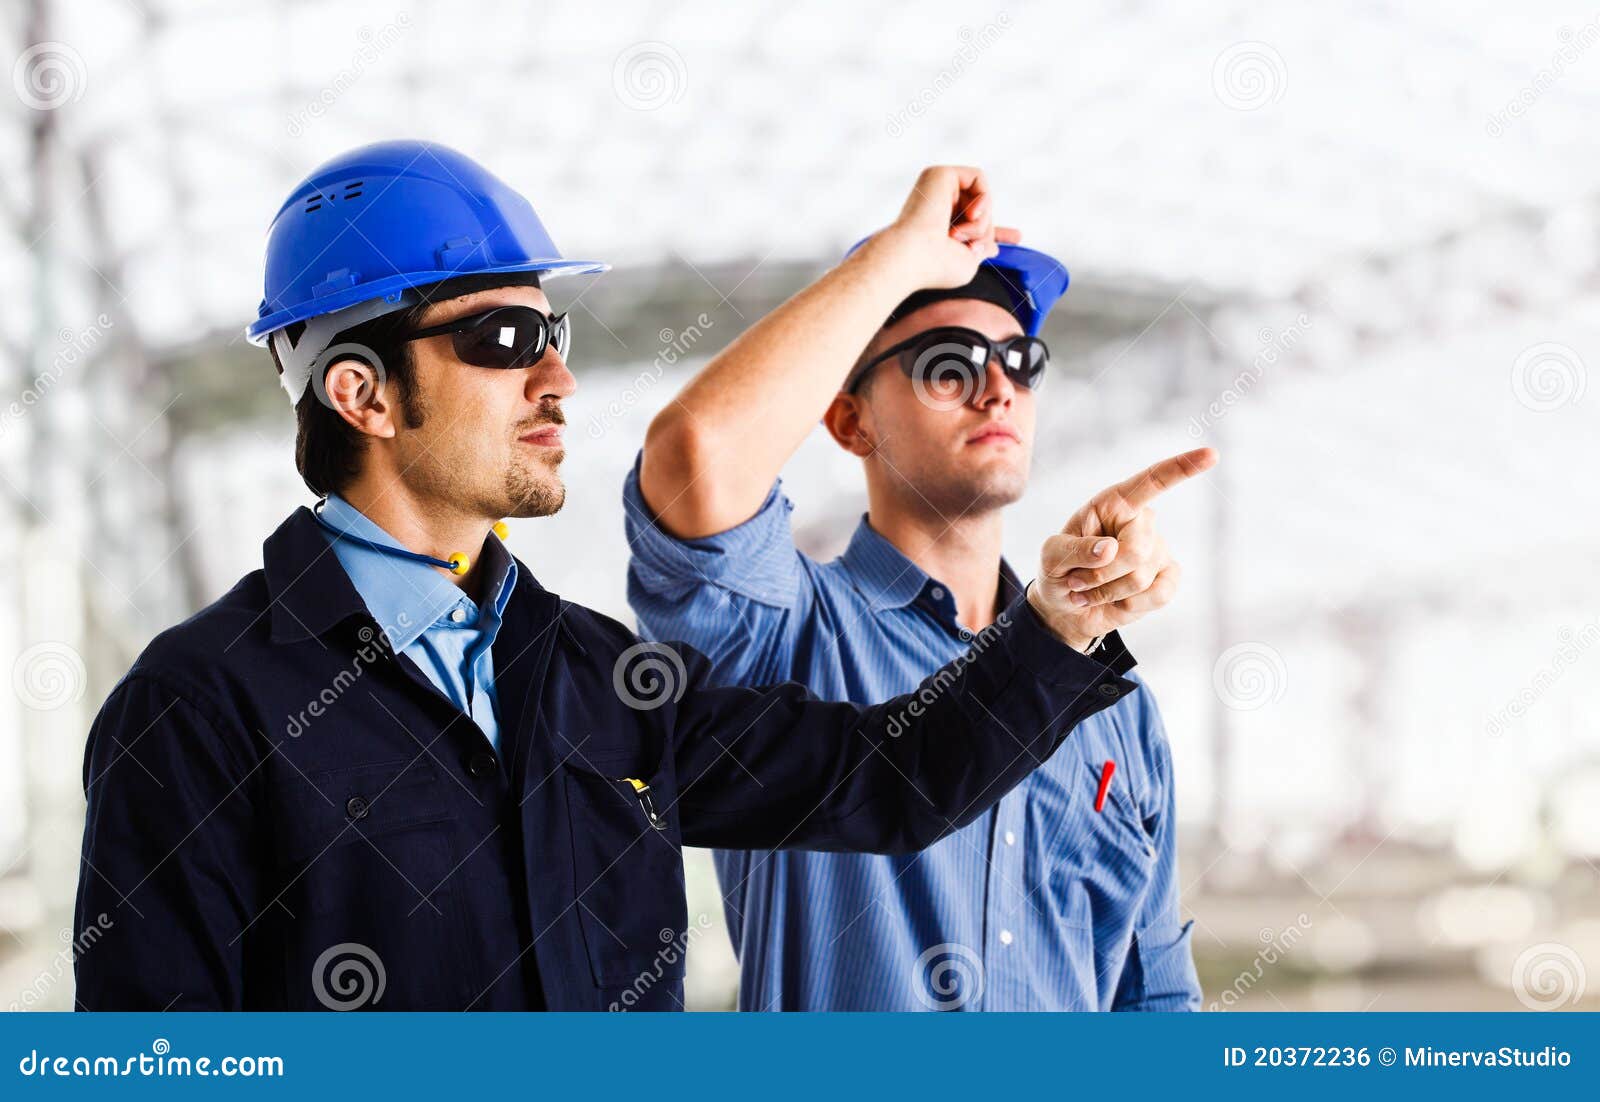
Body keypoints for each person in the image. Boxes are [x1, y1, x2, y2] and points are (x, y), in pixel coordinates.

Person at [73, 144, 1162, 1011]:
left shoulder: (597, 679)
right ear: (362, 393)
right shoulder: (199, 709)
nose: (559, 378)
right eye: (505, 337)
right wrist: (890, 264)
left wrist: (1055, 628)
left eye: (552, 333)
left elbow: (894, 781)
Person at [628, 166, 1214, 1010]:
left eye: (1021, 360)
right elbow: (695, 454)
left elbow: (1153, 1002)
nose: (997, 386)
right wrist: (898, 263)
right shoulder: (784, 636)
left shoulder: (1112, 703)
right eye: (949, 365)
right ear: (849, 419)